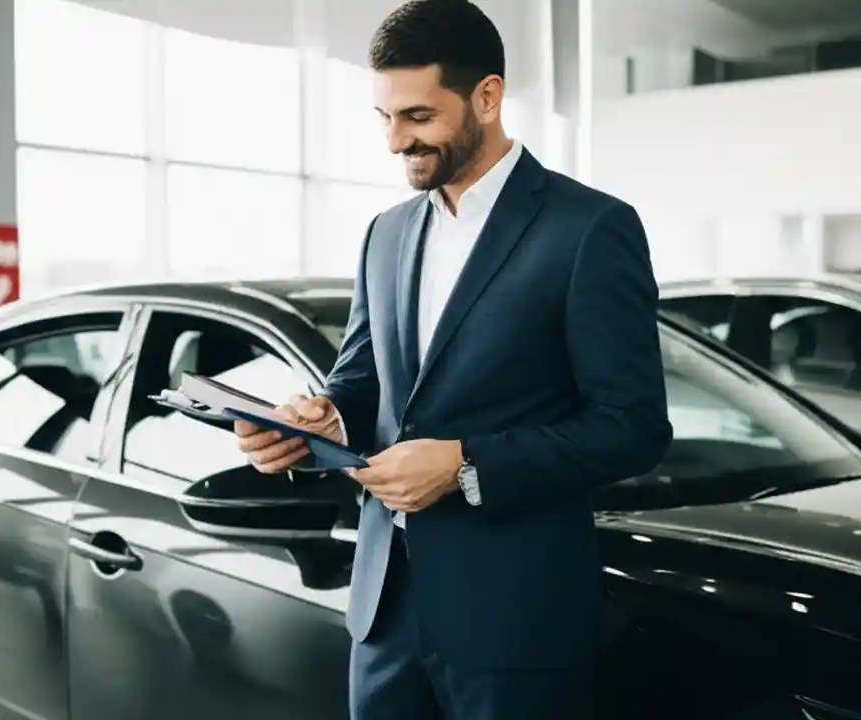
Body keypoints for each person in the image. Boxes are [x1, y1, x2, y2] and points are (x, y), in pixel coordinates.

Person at [236, 0, 672, 716]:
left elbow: (633, 427)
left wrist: (466, 464)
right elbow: (360, 380)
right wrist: (312, 422)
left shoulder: (590, 229)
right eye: (383, 118)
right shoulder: (385, 233)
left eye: (416, 117)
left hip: (515, 624)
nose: (394, 142)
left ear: (488, 97)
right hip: (385, 611)